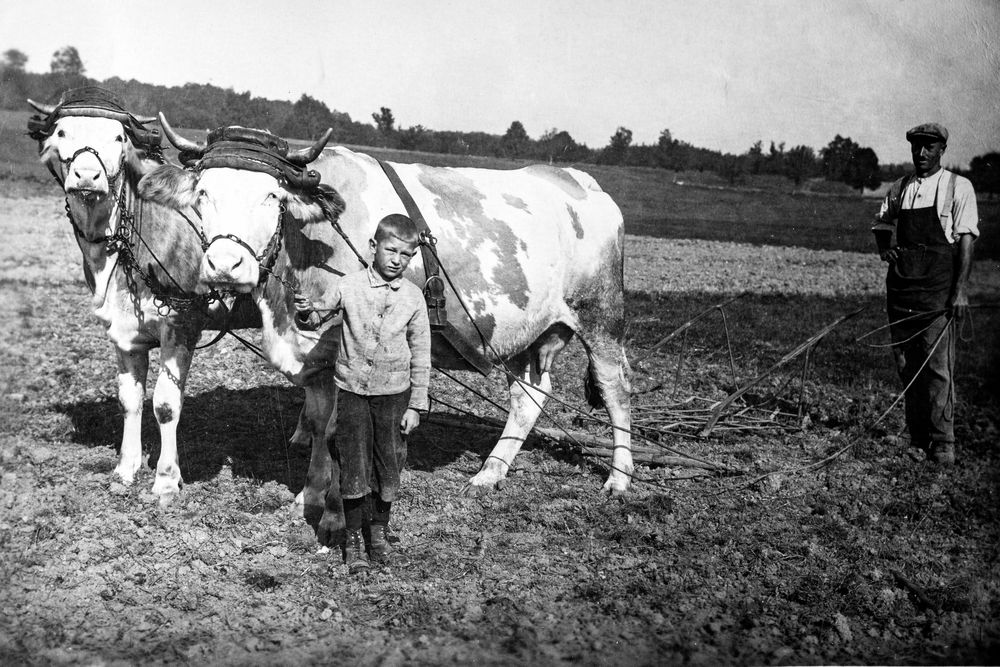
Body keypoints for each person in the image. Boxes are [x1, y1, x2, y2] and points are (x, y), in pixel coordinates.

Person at [295, 214, 431, 571]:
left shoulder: (414, 298)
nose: (397, 259)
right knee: (353, 464)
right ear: (374, 247)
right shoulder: (349, 286)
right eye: (390, 250)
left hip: (394, 396)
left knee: (389, 464)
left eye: (406, 254)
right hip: (352, 392)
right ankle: (354, 539)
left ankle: (378, 533)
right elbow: (315, 317)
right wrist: (306, 312)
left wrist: (416, 404)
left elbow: (421, 354)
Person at [872, 122, 979, 465]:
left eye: (929, 147)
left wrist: (959, 291)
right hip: (902, 290)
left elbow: (966, 240)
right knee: (906, 364)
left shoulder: (957, 187)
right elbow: (881, 222)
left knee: (936, 367)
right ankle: (917, 436)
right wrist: (884, 248)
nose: (921, 153)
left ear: (941, 150)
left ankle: (943, 441)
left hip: (936, 291)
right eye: (917, 146)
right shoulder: (900, 187)